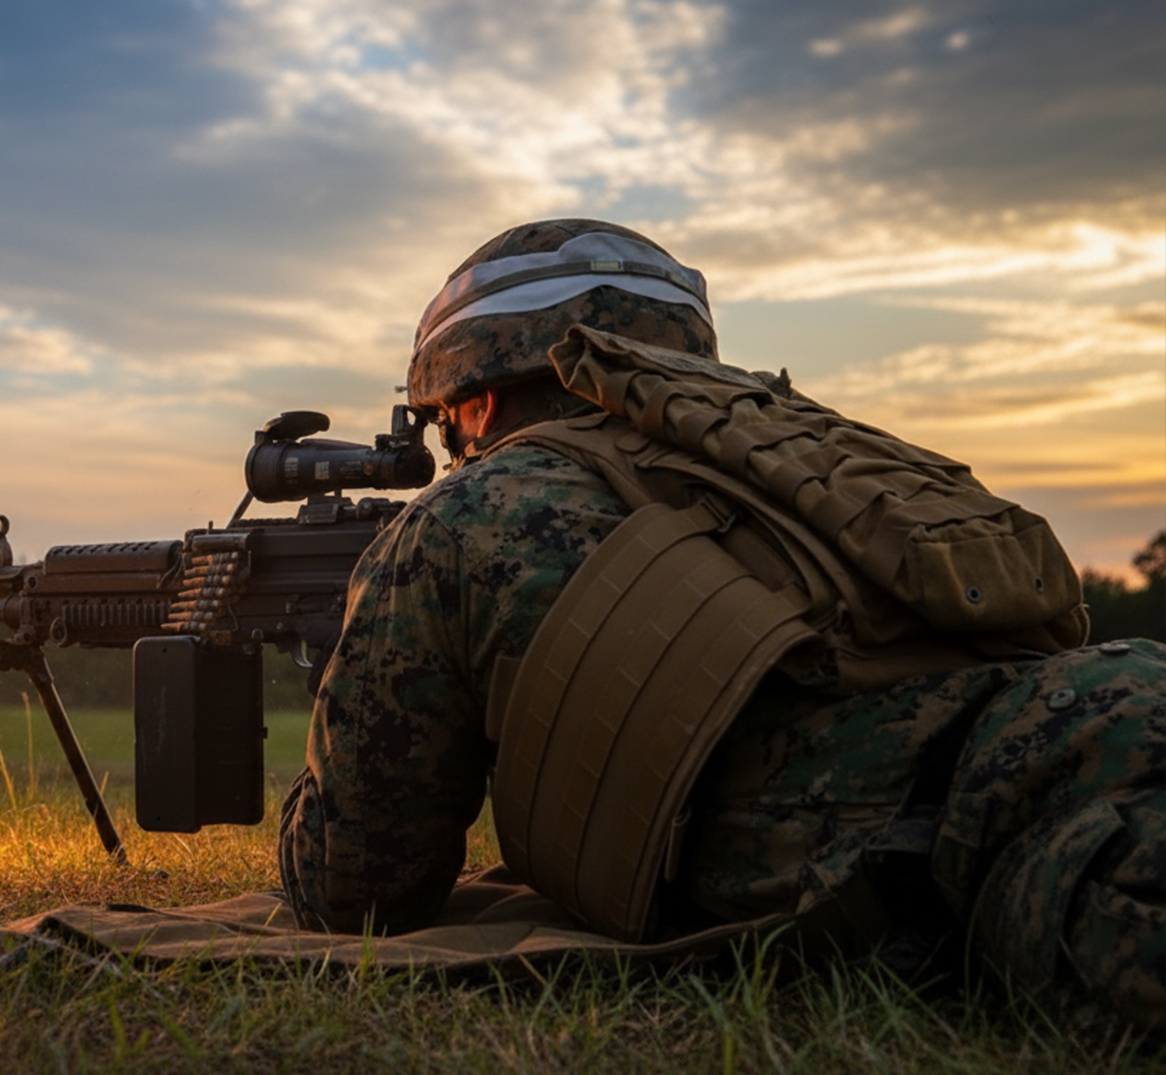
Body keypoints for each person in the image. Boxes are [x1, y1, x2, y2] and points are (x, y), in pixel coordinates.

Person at [277, 218, 1166, 1024]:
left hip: (1022, 838)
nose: (449, 449)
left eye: (445, 429)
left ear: (476, 399)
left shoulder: (461, 519)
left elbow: (355, 890)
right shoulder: (799, 465)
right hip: (1108, 705)